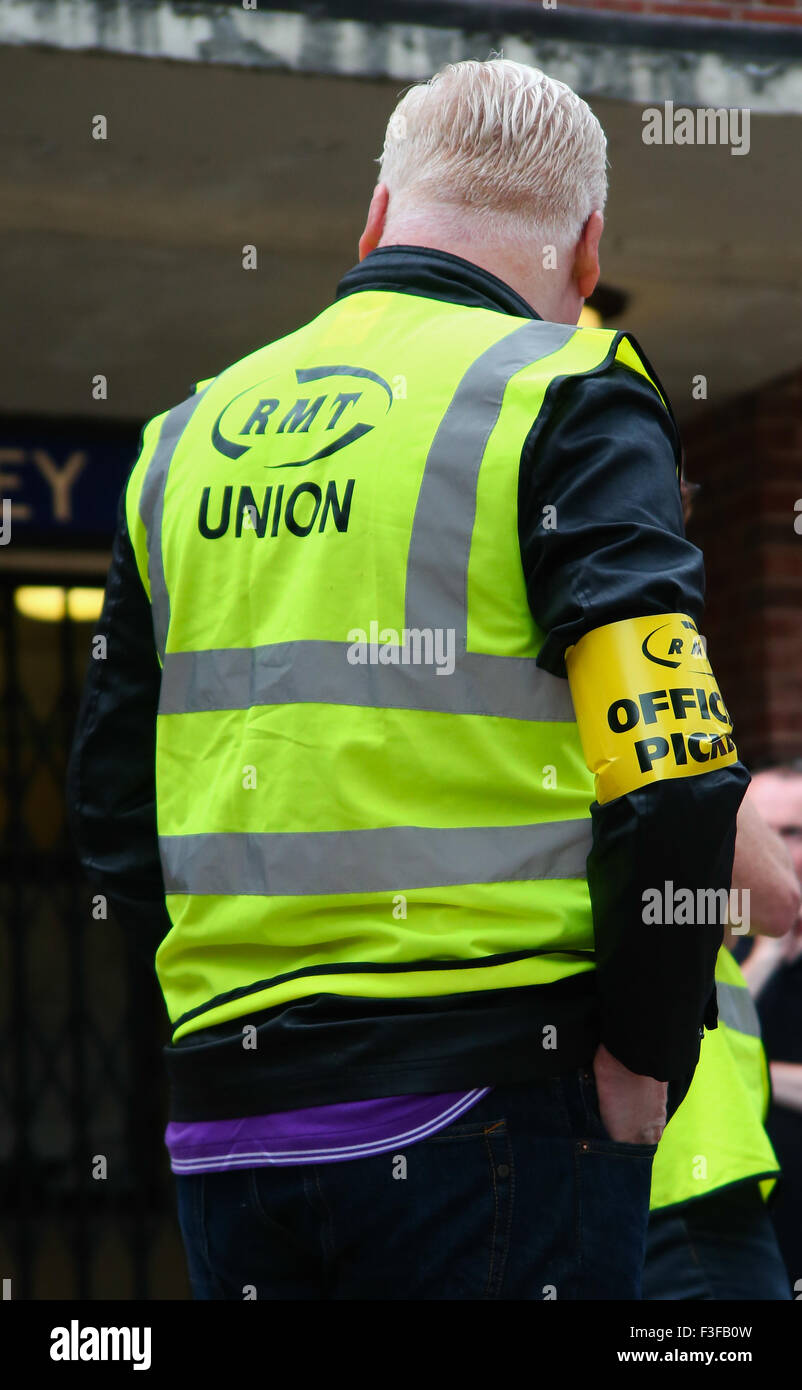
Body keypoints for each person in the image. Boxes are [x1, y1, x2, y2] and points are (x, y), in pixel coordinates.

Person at [67, 58, 749, 1301]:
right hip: (494, 1097)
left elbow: (115, 808)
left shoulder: (181, 437)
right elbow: (675, 767)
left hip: (232, 1119)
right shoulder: (568, 391)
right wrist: (648, 1049)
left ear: (373, 217)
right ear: (587, 251)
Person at [644, 791, 798, 1299]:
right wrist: (708, 739)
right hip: (686, 1167)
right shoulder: (645, 723)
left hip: (570, 1164)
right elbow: (777, 899)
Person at [739, 764, 802, 1289]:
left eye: (795, 832)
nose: (783, 852)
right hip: (748, 1225)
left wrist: (754, 1072)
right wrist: (767, 954)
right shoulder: (714, 943)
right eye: (767, 834)